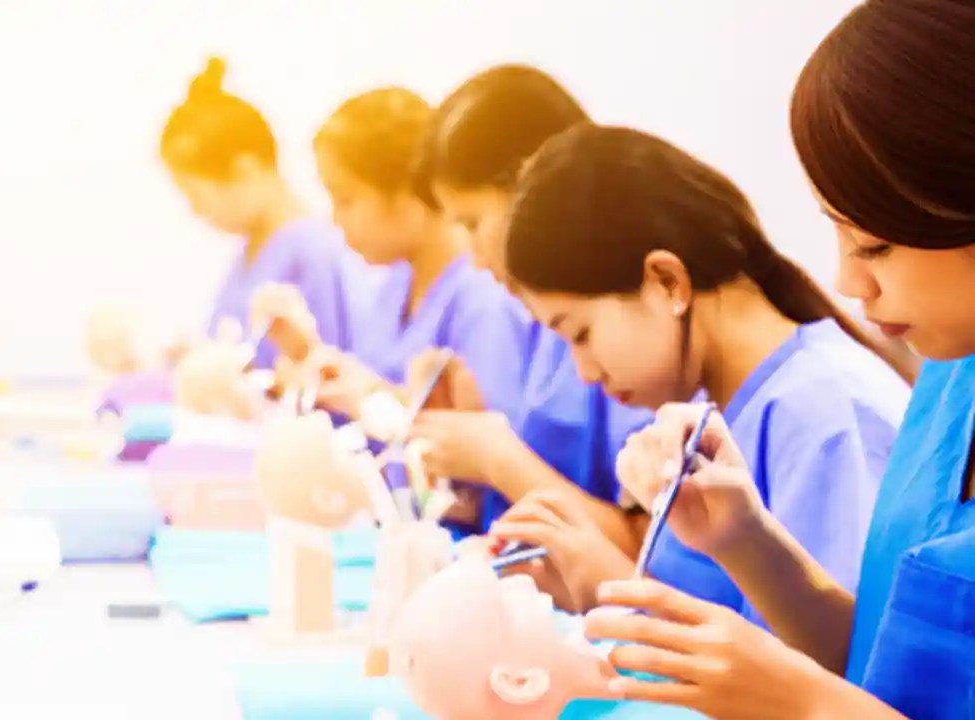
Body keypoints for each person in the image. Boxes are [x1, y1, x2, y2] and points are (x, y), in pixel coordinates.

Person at [580, 3, 975, 718]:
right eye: (842, 236)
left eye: (875, 246)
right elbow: (885, 671)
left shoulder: (838, 398)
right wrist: (749, 543)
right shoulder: (952, 380)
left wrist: (800, 704)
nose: (851, 286)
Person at [487, 124, 912, 619]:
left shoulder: (824, 410)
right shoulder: (716, 412)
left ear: (667, 282)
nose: (584, 373)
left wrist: (618, 587)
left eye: (580, 334)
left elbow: (837, 668)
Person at [406, 65, 654, 547]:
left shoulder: (627, 317)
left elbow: (653, 554)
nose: (474, 259)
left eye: (474, 223)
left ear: (535, 183)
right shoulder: (539, 322)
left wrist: (498, 460)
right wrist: (466, 449)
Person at [293, 86, 538, 534]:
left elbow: (486, 462)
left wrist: (380, 402)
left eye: (346, 200)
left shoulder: (482, 300)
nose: (335, 220)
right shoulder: (395, 285)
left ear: (408, 193)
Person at [159, 57, 369, 368]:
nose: (196, 213)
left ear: (245, 170)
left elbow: (329, 374)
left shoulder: (313, 252)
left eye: (197, 197)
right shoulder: (250, 252)